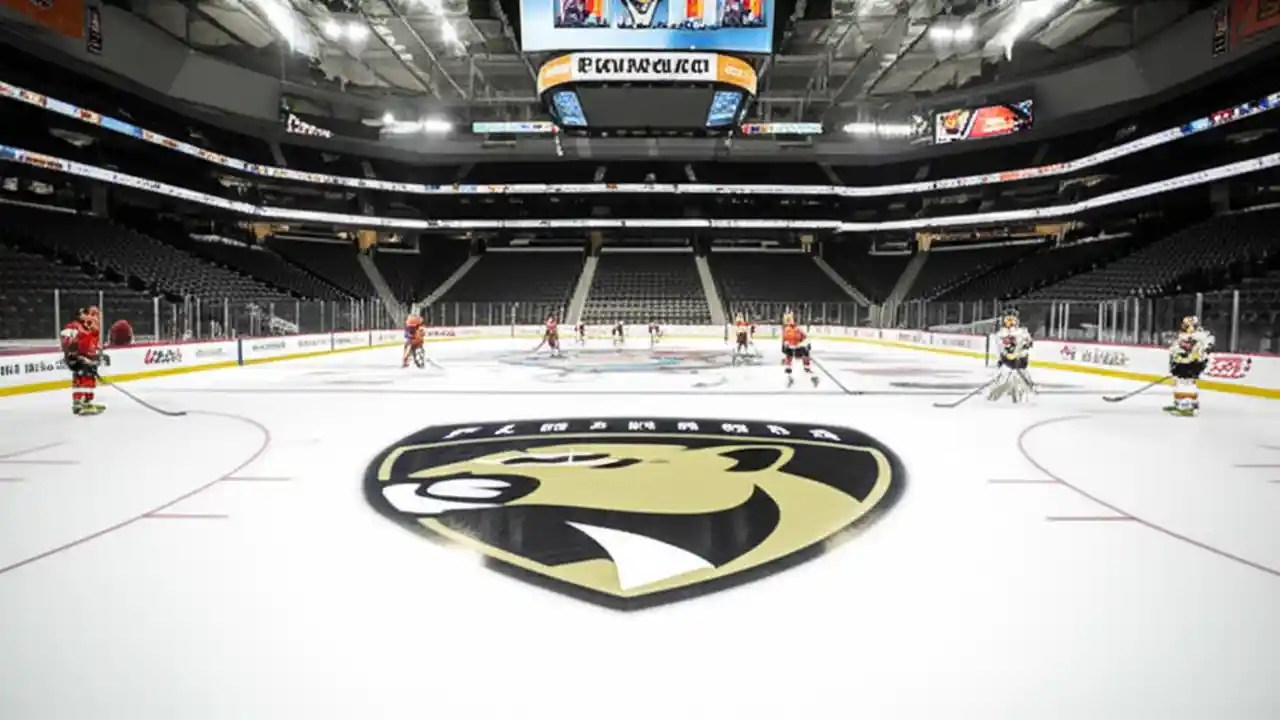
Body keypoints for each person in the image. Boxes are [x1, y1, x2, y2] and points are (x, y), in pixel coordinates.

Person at [60, 306, 106, 415]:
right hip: (78, 359)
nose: (94, 318)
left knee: (88, 380)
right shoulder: (74, 327)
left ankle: (86, 402)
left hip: (88, 359)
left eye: (96, 315)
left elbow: (93, 344)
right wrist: (75, 355)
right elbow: (67, 342)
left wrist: (96, 355)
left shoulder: (91, 328)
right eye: (91, 314)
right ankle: (80, 403)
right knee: (82, 379)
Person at [1167, 315, 1214, 416]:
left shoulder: (1198, 337)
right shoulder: (1183, 336)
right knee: (1179, 383)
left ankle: (1188, 405)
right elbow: (1176, 349)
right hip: (1182, 364)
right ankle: (1179, 403)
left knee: (1187, 383)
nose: (1184, 326)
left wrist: (1194, 357)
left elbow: (1202, 352)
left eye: (1186, 325)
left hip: (1190, 365)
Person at [987, 308, 1034, 403]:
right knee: (1001, 381)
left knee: (1023, 384)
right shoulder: (1001, 333)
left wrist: (1026, 344)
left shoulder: (1022, 331)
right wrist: (1008, 347)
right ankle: (992, 396)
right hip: (1007, 363)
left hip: (1020, 362)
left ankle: (1023, 399)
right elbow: (1001, 346)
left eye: (1012, 320)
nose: (1011, 322)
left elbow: (1028, 342)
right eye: (1008, 320)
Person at [781, 313, 817, 387]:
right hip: (791, 349)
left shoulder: (798, 329)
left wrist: (805, 346)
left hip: (799, 349)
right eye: (787, 320)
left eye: (790, 320)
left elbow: (806, 338)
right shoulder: (786, 330)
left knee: (806, 367)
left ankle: (813, 377)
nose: (789, 322)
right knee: (788, 367)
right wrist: (785, 347)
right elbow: (784, 341)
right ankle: (789, 378)